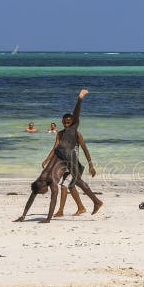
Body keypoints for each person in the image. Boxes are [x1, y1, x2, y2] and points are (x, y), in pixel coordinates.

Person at [14, 89, 88, 223]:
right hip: (61, 157)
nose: (43, 193)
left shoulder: (51, 180)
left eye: (42, 192)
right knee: (71, 185)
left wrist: (48, 219)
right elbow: (33, 195)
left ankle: (80, 99)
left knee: (70, 185)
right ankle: (82, 206)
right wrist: (23, 215)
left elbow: (53, 199)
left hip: (68, 159)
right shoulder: (40, 181)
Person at [42, 113, 103, 216]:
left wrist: (91, 165)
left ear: (72, 123)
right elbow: (55, 148)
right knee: (71, 186)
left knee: (64, 185)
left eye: (69, 123)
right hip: (65, 165)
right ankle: (81, 208)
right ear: (62, 122)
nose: (66, 125)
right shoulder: (60, 134)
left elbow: (85, 150)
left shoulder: (77, 135)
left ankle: (62, 211)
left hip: (74, 165)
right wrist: (47, 160)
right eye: (65, 123)